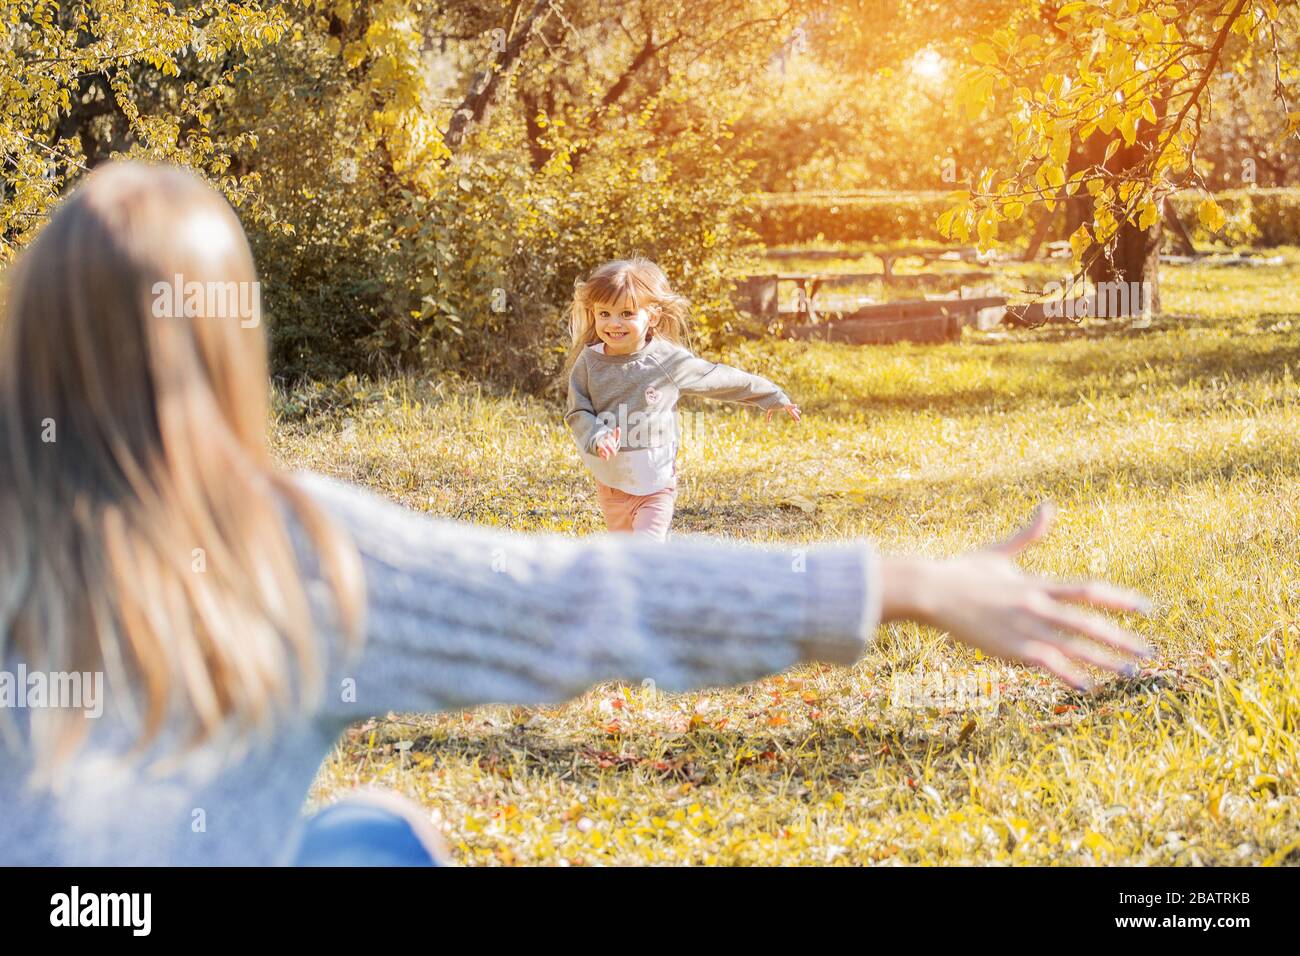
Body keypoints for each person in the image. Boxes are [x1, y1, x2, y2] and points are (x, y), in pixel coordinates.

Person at [0, 162, 1153, 866]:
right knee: (382, 831)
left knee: (366, 822)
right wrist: (908, 580)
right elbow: (586, 601)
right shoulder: (296, 557)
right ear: (223, 346)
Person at [564, 258, 800, 540]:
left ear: (651, 316)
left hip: (656, 484)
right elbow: (577, 411)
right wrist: (597, 436)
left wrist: (770, 394)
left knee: (646, 550)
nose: (614, 323)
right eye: (604, 313)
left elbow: (719, 378)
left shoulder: (666, 361)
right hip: (612, 483)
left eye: (626, 313)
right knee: (625, 560)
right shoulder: (590, 362)